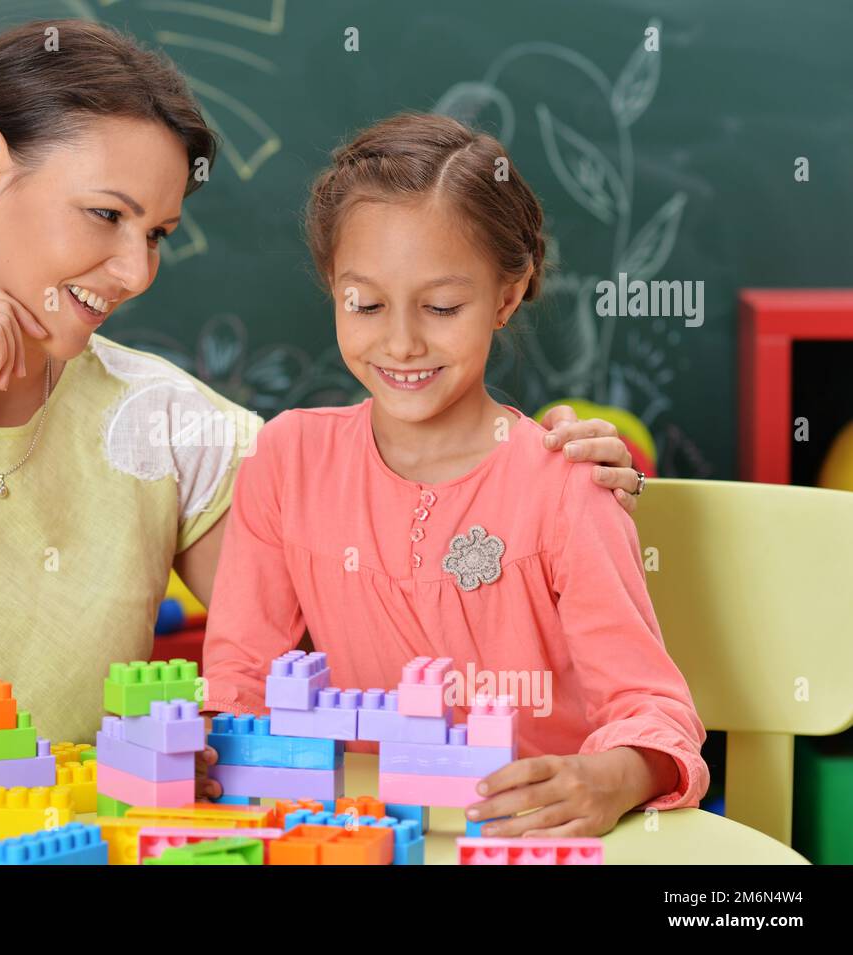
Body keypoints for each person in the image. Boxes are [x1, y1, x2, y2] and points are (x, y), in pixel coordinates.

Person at [0, 20, 642, 790]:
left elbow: (365, 640)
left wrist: (519, 473)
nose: (135, 271)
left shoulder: (167, 421)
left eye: (159, 231)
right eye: (106, 216)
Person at [201, 113, 707, 836]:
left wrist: (614, 776)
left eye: (442, 306)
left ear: (507, 296)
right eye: (366, 303)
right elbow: (239, 679)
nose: (402, 340)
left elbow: (654, 712)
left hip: (524, 839)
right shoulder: (287, 462)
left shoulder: (566, 484)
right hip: (367, 834)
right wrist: (207, 749)